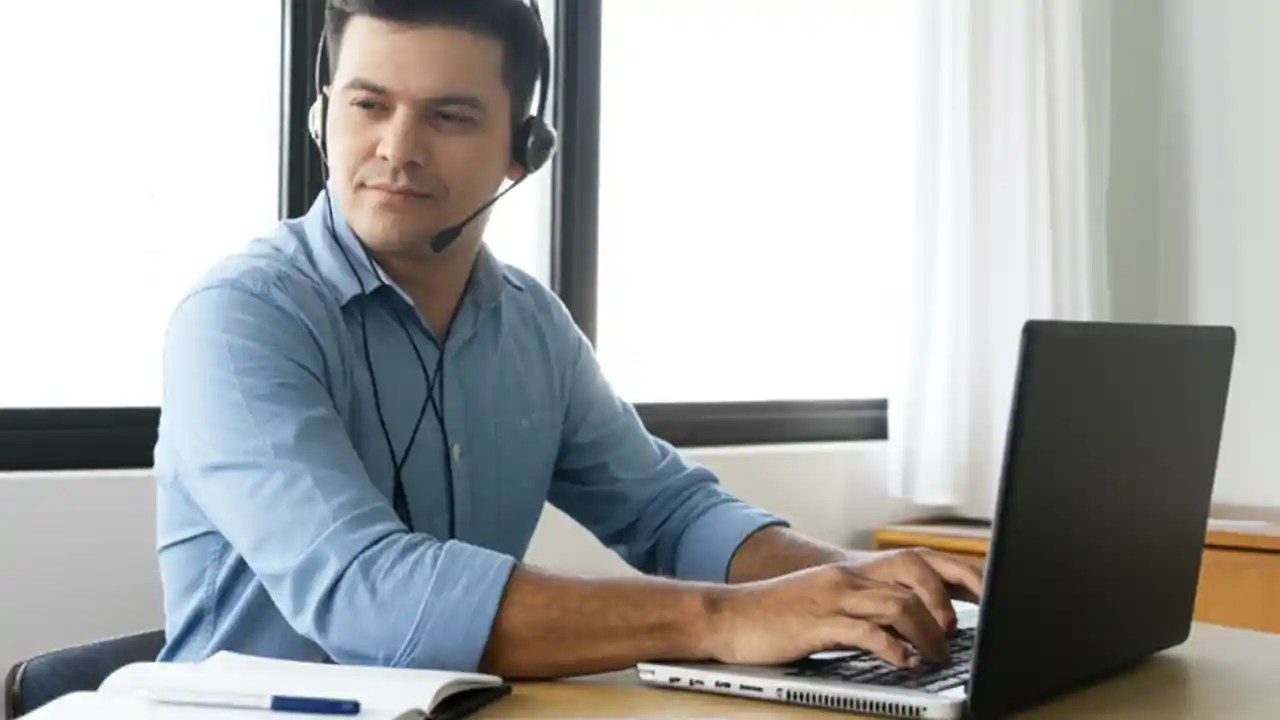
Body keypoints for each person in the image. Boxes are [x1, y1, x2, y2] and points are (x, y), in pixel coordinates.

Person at [154, 0, 981, 678]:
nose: (397, 150)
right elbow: (365, 594)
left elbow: (670, 513)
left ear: (524, 151)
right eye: (369, 106)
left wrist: (851, 585)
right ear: (322, 115)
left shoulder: (528, 324)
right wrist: (727, 620)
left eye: (448, 116)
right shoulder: (240, 318)